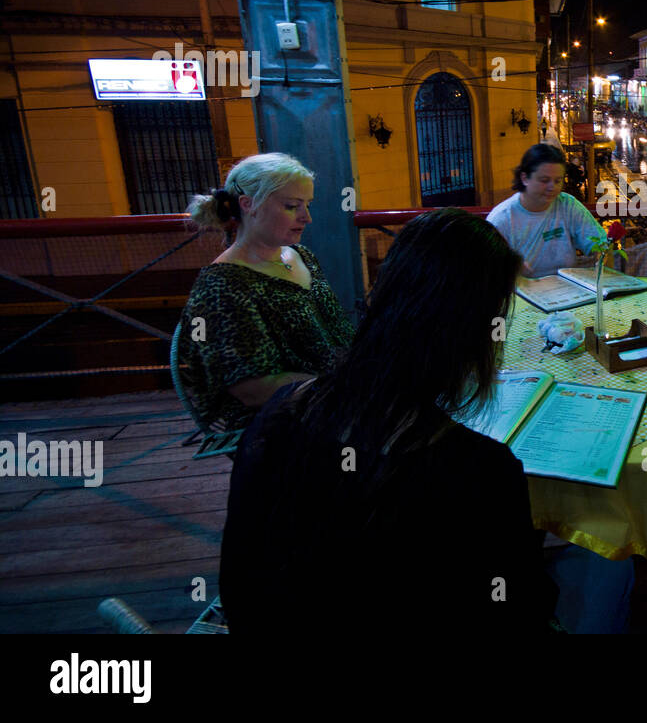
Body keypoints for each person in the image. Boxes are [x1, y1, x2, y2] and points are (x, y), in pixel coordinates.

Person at [219, 209, 558, 635]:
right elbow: (521, 608)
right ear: (475, 331)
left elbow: (239, 584)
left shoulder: (280, 416)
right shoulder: (478, 469)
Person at [180, 153, 355, 431]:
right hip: (280, 419)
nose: (306, 217)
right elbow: (252, 388)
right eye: (291, 206)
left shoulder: (301, 256)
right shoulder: (222, 285)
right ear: (249, 205)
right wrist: (347, 388)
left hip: (336, 395)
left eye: (307, 205)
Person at [487, 143, 604, 278]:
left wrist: (601, 254)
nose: (552, 187)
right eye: (544, 180)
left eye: (558, 181)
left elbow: (599, 245)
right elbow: (488, 271)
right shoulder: (502, 219)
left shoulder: (568, 205)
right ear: (524, 178)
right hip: (522, 294)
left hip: (568, 290)